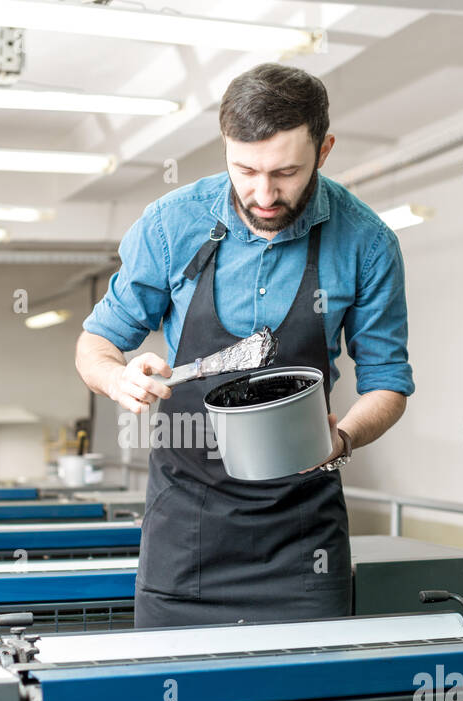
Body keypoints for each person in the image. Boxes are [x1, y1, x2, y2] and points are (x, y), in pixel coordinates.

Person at [75, 63, 414, 628]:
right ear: (225, 147)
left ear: (324, 149)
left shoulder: (367, 243)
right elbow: (96, 343)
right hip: (186, 530)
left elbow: (389, 383)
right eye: (245, 170)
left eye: (285, 172)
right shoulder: (169, 226)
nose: (263, 194)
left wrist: (345, 436)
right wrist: (118, 378)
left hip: (303, 536)